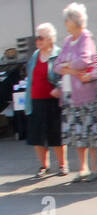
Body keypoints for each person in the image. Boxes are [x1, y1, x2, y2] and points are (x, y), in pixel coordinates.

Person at [53, 3, 97, 182]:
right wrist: (69, 66)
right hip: (70, 95)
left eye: (67, 20)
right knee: (76, 133)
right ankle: (82, 168)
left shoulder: (86, 38)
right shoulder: (68, 41)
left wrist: (67, 65)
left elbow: (83, 61)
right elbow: (56, 66)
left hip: (86, 95)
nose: (65, 23)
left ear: (75, 21)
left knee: (89, 132)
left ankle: (95, 168)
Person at [25, 24, 67, 177]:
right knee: (37, 135)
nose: (38, 41)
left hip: (53, 101)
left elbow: (65, 76)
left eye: (41, 38)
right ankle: (43, 166)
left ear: (50, 39)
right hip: (36, 99)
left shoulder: (58, 54)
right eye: (37, 38)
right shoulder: (35, 55)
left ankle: (63, 165)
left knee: (56, 134)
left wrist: (60, 88)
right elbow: (30, 78)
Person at [0, 48, 25, 142]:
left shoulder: (17, 64)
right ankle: (18, 131)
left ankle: (19, 131)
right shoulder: (12, 65)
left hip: (11, 93)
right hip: (11, 93)